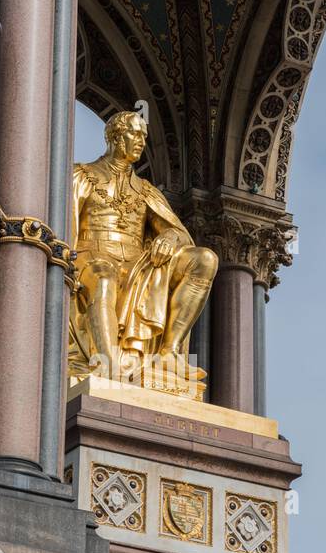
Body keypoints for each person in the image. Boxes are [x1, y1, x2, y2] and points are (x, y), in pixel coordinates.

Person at [69, 111, 217, 386]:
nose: (140, 141)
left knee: (205, 259)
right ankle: (108, 366)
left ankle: (169, 352)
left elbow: (178, 233)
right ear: (114, 135)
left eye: (143, 136)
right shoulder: (82, 175)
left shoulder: (146, 190)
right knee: (103, 279)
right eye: (134, 134)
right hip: (93, 255)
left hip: (138, 264)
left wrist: (170, 238)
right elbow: (67, 230)